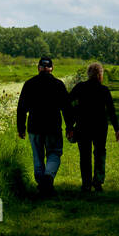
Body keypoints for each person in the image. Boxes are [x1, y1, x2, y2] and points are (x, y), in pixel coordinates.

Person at [16, 55, 73, 196]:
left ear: (39, 68)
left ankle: (42, 183)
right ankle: (48, 178)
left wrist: (21, 128)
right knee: (54, 153)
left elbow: (21, 107)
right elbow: (66, 107)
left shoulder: (29, 84)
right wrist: (69, 127)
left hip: (34, 127)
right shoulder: (58, 84)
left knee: (38, 156)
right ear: (52, 69)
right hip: (53, 127)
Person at [67, 62, 119, 192]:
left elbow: (67, 102)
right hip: (100, 126)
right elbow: (111, 111)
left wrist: (70, 123)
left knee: (84, 155)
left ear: (88, 74)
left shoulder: (80, 87)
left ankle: (86, 184)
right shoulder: (104, 90)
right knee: (100, 153)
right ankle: (98, 181)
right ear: (100, 75)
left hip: (82, 125)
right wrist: (117, 130)